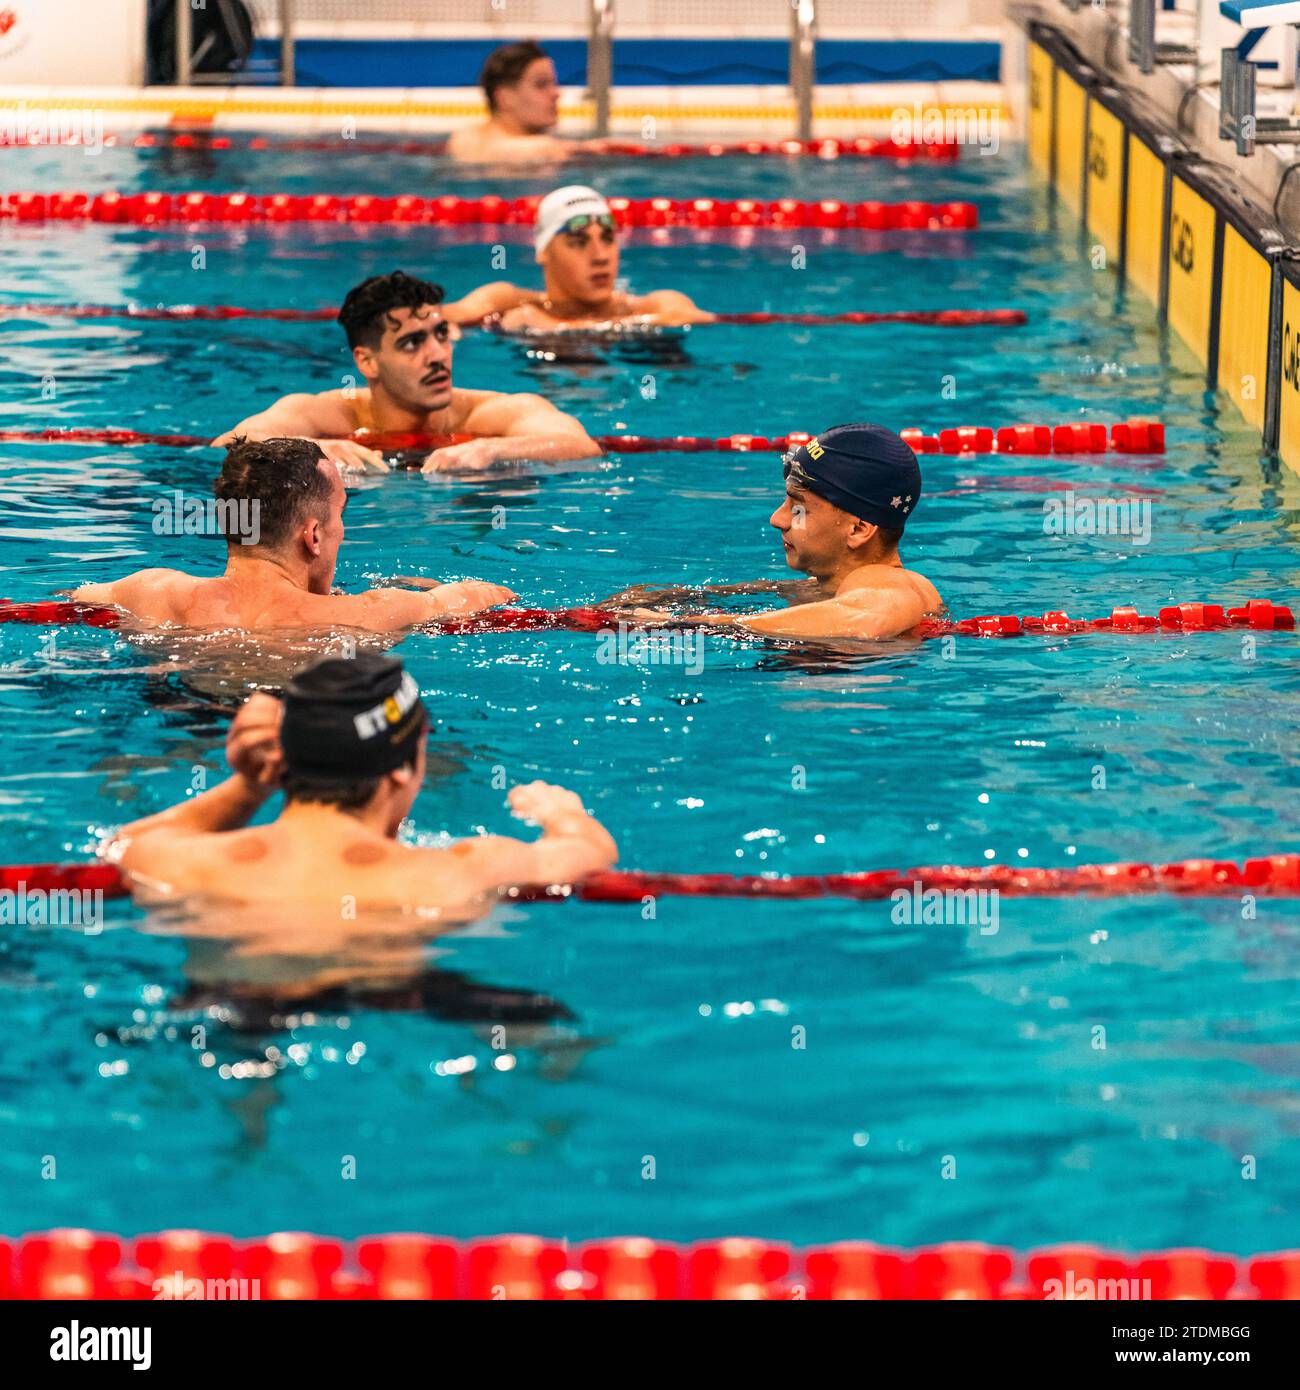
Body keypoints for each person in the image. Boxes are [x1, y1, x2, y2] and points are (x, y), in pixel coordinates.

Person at [104, 651, 618, 920]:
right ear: (400, 767)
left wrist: (251, 784)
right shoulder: (458, 873)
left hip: (226, 1010)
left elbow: (119, 846)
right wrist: (562, 813)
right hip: (406, 1003)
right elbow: (591, 853)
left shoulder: (177, 863)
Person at [71, 437, 515, 632]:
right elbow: (491, 595)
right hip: (302, 724)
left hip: (185, 712)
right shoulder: (370, 612)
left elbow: (71, 599)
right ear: (313, 536)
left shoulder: (149, 591)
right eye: (340, 514)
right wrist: (438, 590)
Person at [214, 271, 601, 473]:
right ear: (367, 361)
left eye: (440, 334)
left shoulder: (487, 416)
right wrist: (311, 452)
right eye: (412, 343)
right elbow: (227, 444)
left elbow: (582, 448)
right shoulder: (333, 414)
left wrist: (489, 449)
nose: (438, 355)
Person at [616, 425, 942, 640]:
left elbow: (865, 621)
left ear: (858, 529)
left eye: (797, 507)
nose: (778, 519)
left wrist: (691, 626)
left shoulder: (892, 584)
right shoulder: (828, 586)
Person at [444, 185, 714, 332]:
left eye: (608, 239)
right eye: (578, 242)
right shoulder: (503, 302)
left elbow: (688, 317)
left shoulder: (653, 305)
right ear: (543, 252)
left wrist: (557, 328)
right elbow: (438, 316)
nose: (600, 256)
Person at [445, 41, 597, 166]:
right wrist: (548, 150)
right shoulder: (470, 141)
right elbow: (477, 149)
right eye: (541, 84)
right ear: (504, 97)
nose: (556, 94)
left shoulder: (468, 137)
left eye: (554, 83)